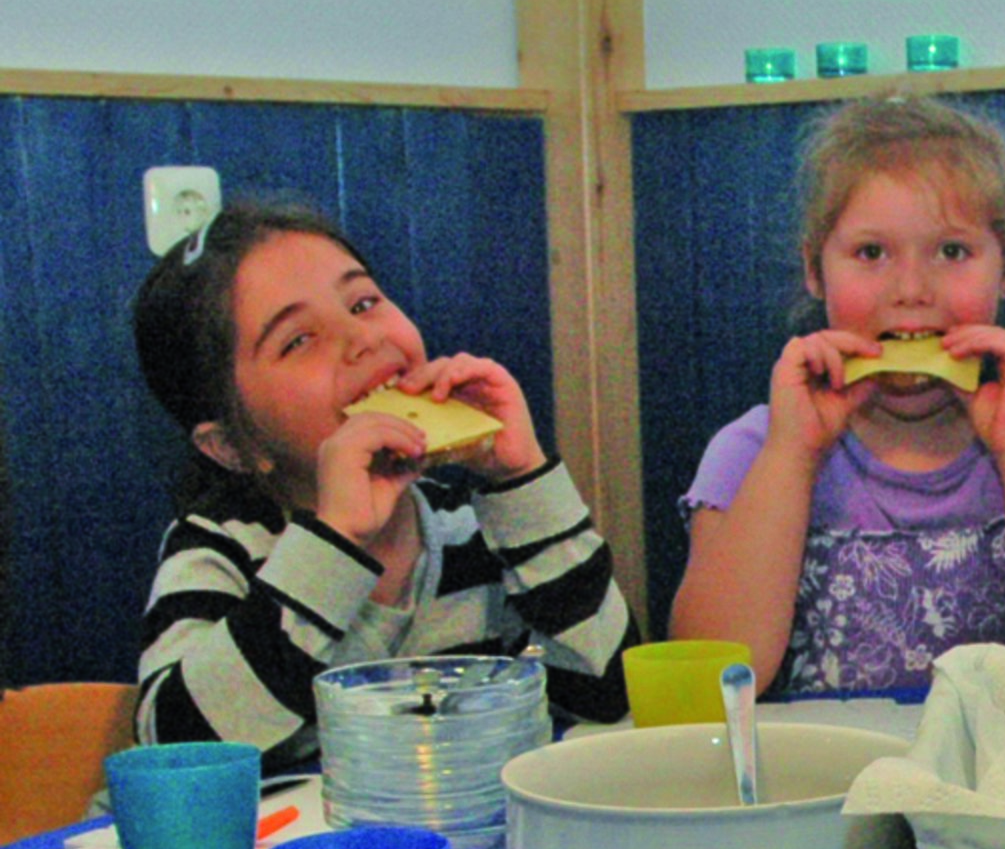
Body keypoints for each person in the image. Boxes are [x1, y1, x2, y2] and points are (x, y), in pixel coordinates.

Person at [669, 93, 1005, 692]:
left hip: (994, 782)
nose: (912, 289)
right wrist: (790, 458)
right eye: (871, 253)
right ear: (815, 271)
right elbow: (711, 678)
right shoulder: (752, 454)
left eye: (952, 252)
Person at [133, 200, 636, 771]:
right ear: (235, 447)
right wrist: (335, 542)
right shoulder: (221, 548)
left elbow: (609, 696)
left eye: (363, 302)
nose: (361, 339)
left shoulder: (471, 529)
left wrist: (521, 483)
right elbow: (175, 756)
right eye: (298, 340)